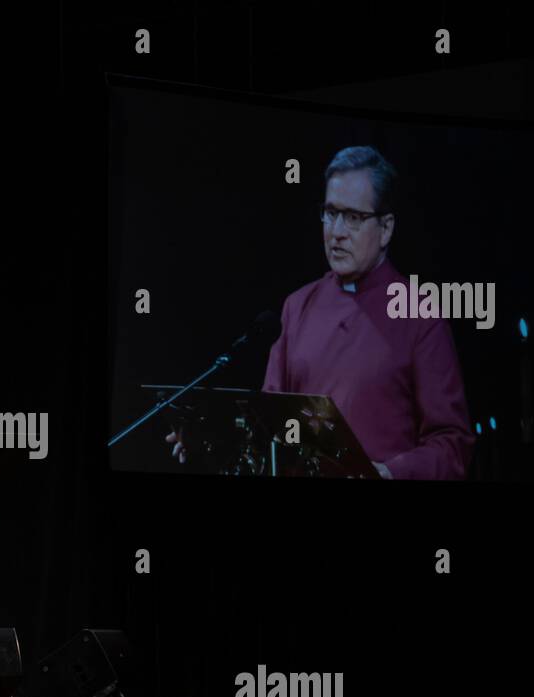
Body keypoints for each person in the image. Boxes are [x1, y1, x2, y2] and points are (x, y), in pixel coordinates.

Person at [169, 146, 474, 479]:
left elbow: (451, 445)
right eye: (330, 213)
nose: (337, 232)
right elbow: (267, 424)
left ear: (386, 228)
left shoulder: (421, 317)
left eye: (354, 218)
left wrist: (387, 473)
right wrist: (213, 440)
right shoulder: (297, 306)